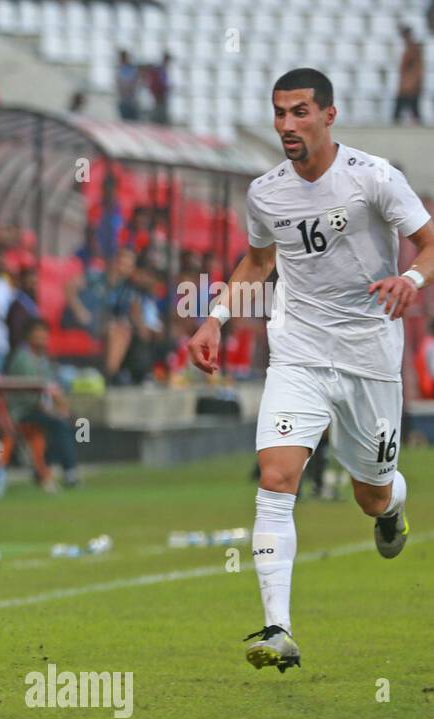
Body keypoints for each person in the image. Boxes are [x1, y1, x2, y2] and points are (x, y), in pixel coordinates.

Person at [189, 68, 434, 673]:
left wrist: (410, 278)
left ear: (329, 115)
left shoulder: (374, 177)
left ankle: (393, 502)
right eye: (279, 113)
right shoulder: (265, 192)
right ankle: (278, 628)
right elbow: (257, 260)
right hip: (297, 351)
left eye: (300, 112)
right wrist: (215, 318)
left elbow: (430, 242)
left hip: (369, 356)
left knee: (370, 494)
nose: (287, 125)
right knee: (276, 479)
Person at [3, 322, 80, 489]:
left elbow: (51, 387)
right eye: (38, 335)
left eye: (44, 335)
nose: (42, 339)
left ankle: (43, 470)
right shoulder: (23, 358)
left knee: (66, 422)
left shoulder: (43, 359)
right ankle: (69, 473)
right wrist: (53, 409)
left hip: (38, 408)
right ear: (29, 337)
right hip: (21, 411)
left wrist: (63, 408)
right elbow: (31, 392)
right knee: (59, 424)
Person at [395, 26, 424, 125]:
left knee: (410, 110)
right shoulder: (410, 48)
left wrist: (414, 83)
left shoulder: (414, 49)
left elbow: (417, 68)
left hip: (410, 85)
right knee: (412, 110)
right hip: (407, 84)